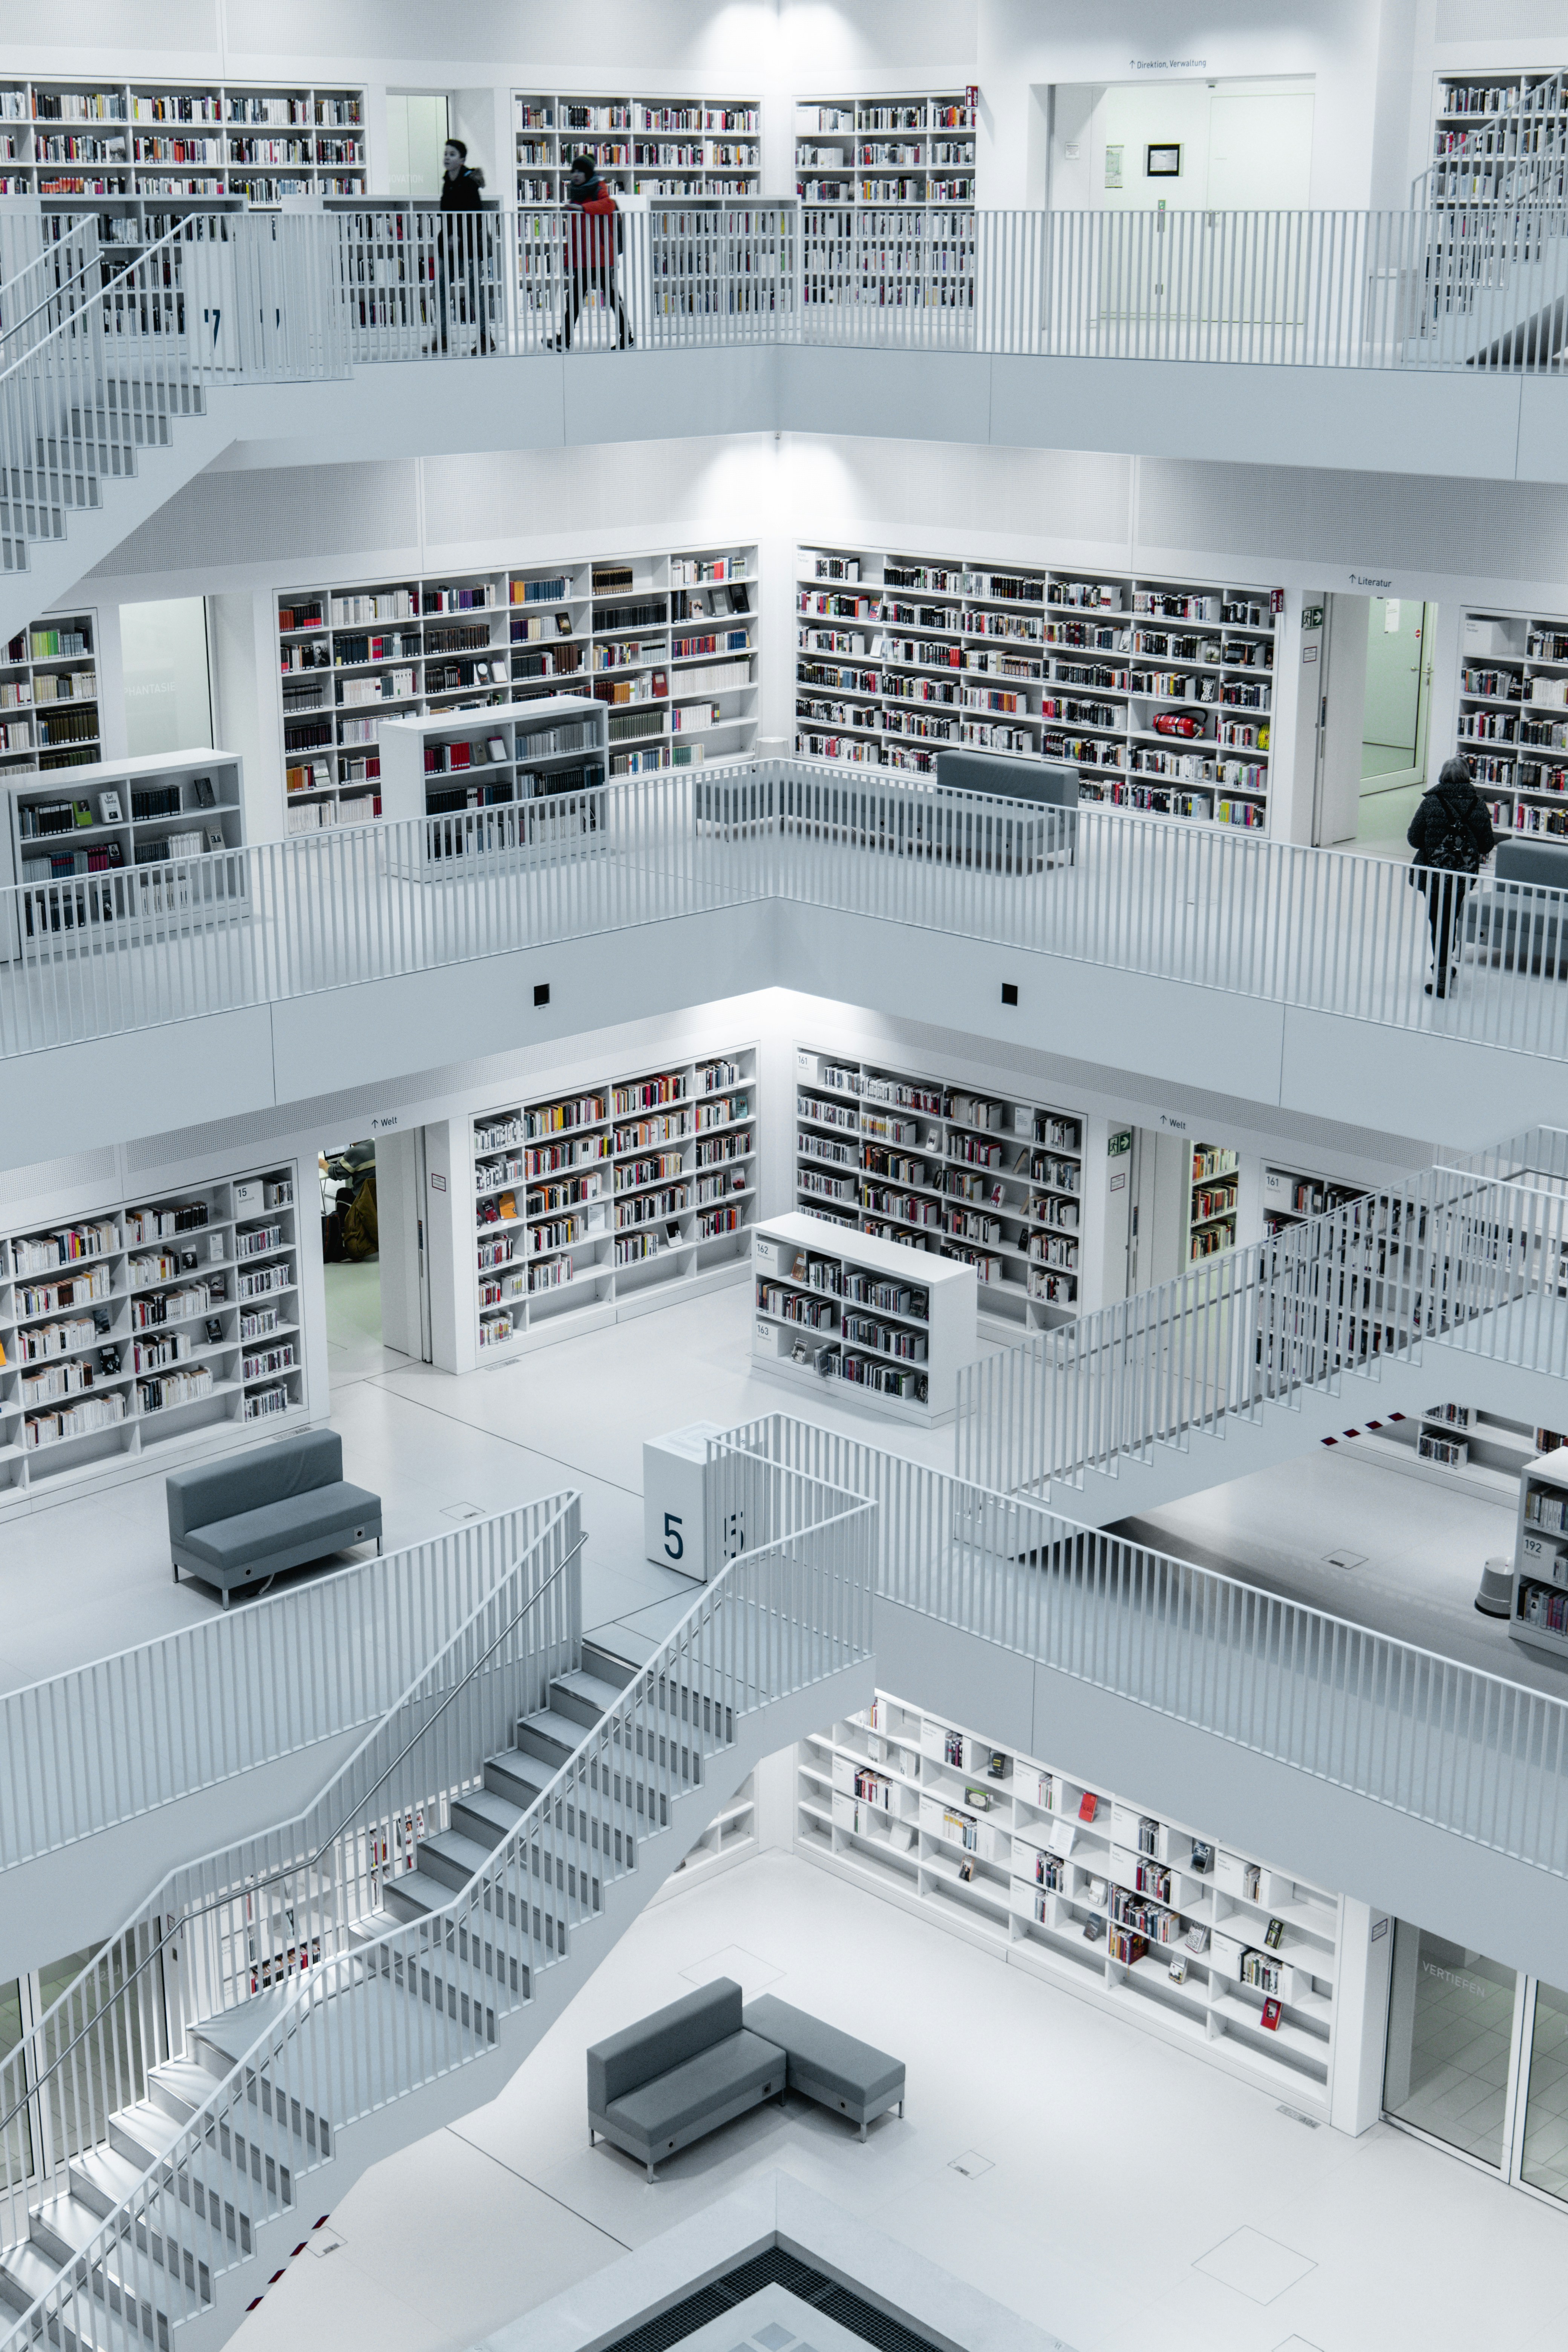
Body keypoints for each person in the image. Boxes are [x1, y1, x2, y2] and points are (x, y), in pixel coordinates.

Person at [1407, 753, 1495, 998]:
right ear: (1466, 777)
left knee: (1438, 922)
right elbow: (1487, 844)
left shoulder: (1431, 803)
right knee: (1450, 921)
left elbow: (1414, 839)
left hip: (1434, 875)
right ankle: (1443, 967)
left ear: (1443, 777)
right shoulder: (1477, 804)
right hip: (1461, 875)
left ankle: (1442, 977)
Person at [556, 154, 632, 351]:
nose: (576, 175)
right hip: (583, 258)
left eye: (580, 171)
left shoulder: (599, 189)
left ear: (588, 173)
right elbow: (574, 232)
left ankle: (628, 335)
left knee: (613, 297)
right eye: (573, 171)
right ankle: (564, 338)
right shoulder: (576, 194)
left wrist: (582, 209)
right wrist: (569, 258)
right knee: (575, 298)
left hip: (600, 256)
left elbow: (608, 206)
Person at [436, 138, 491, 354]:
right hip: (448, 247)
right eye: (446, 153)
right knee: (440, 289)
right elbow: (446, 215)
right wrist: (449, 236)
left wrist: (458, 236)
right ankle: (441, 338)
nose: (447, 157)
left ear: (462, 160)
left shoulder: (468, 183)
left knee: (474, 292)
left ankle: (486, 339)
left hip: (467, 247)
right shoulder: (447, 183)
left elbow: (475, 217)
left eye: (452, 154)